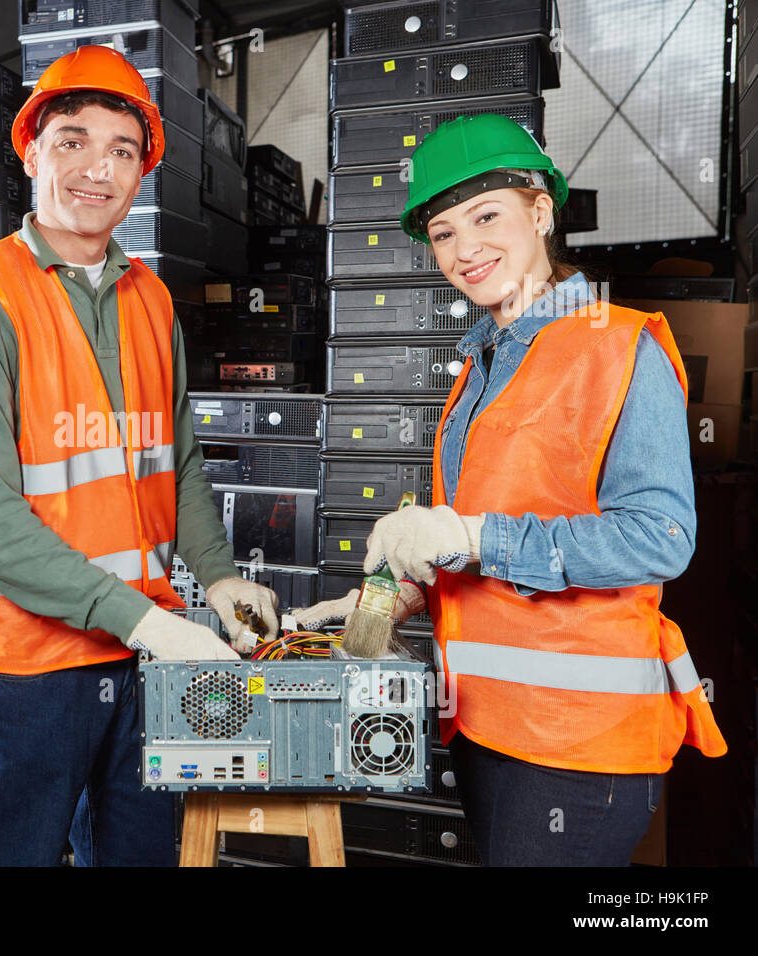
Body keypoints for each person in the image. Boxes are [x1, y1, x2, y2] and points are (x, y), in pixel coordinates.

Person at [294, 113, 726, 866]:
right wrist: (386, 598)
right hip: (486, 725)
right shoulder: (481, 368)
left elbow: (660, 537)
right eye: (444, 233)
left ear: (541, 210)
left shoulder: (620, 346)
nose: (466, 250)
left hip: (576, 741)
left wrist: (468, 536)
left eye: (486, 217)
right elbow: (479, 534)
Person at [0, 46, 279, 867]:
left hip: (143, 656)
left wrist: (216, 576)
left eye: (122, 150)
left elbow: (176, 458)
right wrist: (154, 623)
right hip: (29, 666)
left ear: (141, 171)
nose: (97, 169)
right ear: (32, 151)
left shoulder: (149, 297)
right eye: (74, 140)